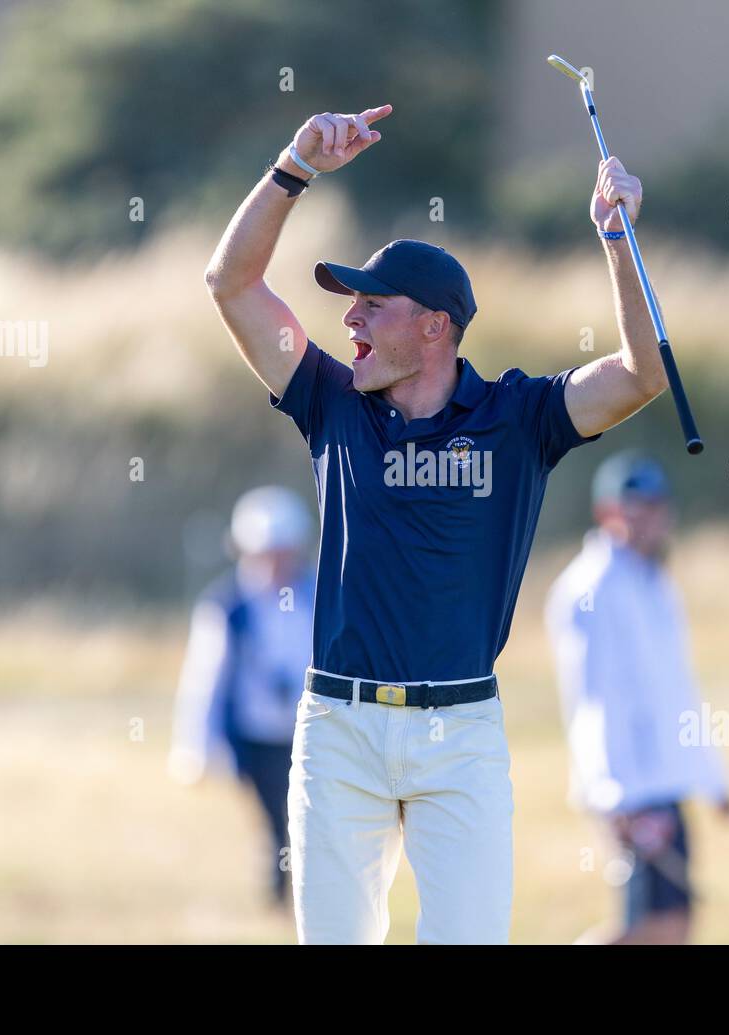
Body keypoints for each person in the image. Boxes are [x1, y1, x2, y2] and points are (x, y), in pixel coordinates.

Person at [203, 104, 669, 944]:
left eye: (370, 304)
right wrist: (293, 168)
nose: (349, 319)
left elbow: (641, 372)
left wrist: (617, 239)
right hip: (339, 729)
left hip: (461, 733)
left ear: (434, 326)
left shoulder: (519, 415)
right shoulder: (331, 401)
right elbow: (230, 284)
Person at [545, 452, 729, 945]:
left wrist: (714, 779)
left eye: (657, 507)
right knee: (646, 929)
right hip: (629, 787)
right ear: (607, 512)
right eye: (637, 508)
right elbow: (592, 696)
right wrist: (612, 794)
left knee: (675, 926)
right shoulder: (591, 588)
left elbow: (677, 688)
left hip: (665, 781)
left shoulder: (655, 583)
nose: (650, 519)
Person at [168, 485, 316, 909]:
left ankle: (305, 897)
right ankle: (279, 898)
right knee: (276, 819)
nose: (276, 564)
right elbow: (204, 682)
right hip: (256, 736)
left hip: (310, 733)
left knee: (309, 819)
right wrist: (194, 747)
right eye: (267, 554)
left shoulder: (320, 597)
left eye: (284, 554)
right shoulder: (228, 608)